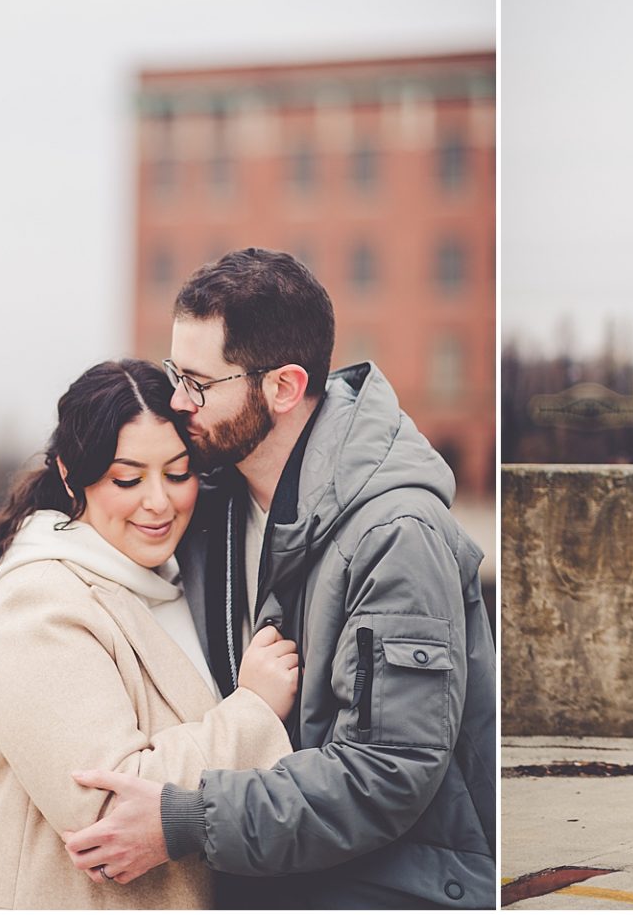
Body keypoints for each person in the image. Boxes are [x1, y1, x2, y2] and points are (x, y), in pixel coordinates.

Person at [62, 248, 497, 909]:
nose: (179, 401)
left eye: (200, 384)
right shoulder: (207, 497)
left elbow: (386, 772)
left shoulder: (396, 534)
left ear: (284, 387)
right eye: (177, 373)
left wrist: (186, 818)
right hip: (256, 884)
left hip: (387, 890)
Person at [0, 360, 299, 909]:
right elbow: (107, 809)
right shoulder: (38, 603)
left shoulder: (168, 583)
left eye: (178, 474)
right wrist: (254, 712)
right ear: (68, 474)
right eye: (127, 479)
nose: (159, 501)